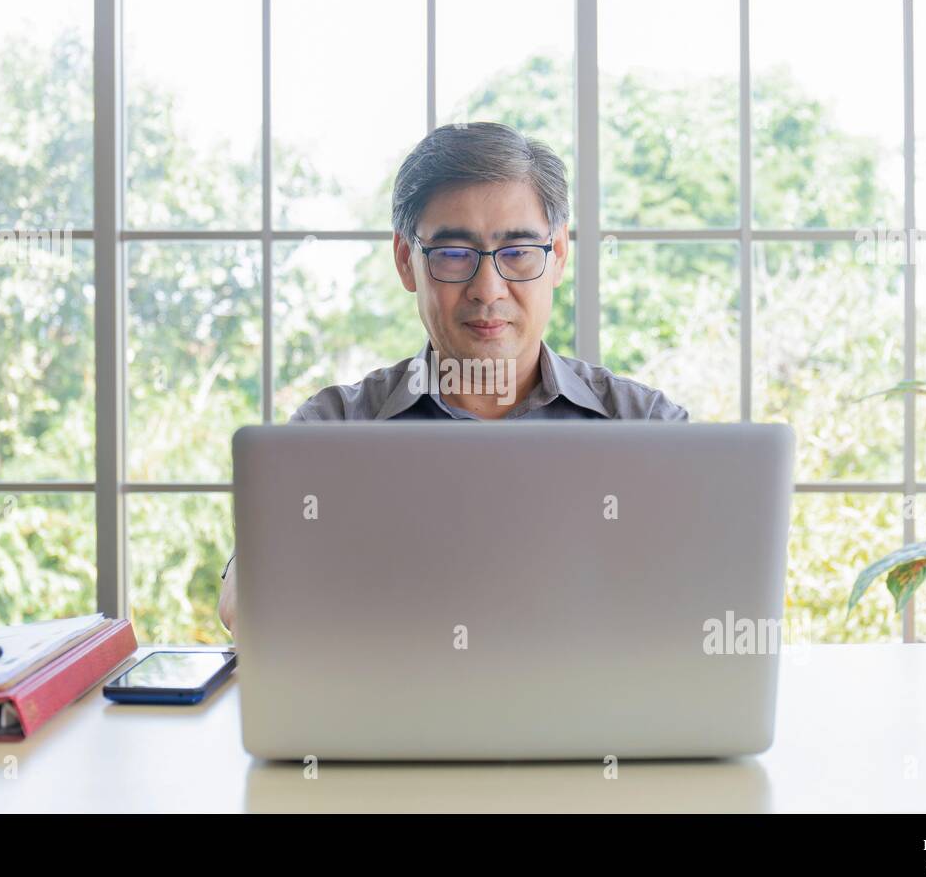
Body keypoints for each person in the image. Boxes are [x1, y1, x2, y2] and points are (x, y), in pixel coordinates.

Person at [218, 121, 688, 634]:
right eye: (453, 254)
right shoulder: (332, 428)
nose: (488, 289)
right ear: (405, 260)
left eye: (517, 252)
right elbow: (246, 607)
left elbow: (701, 602)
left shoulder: (647, 426)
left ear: (557, 256)